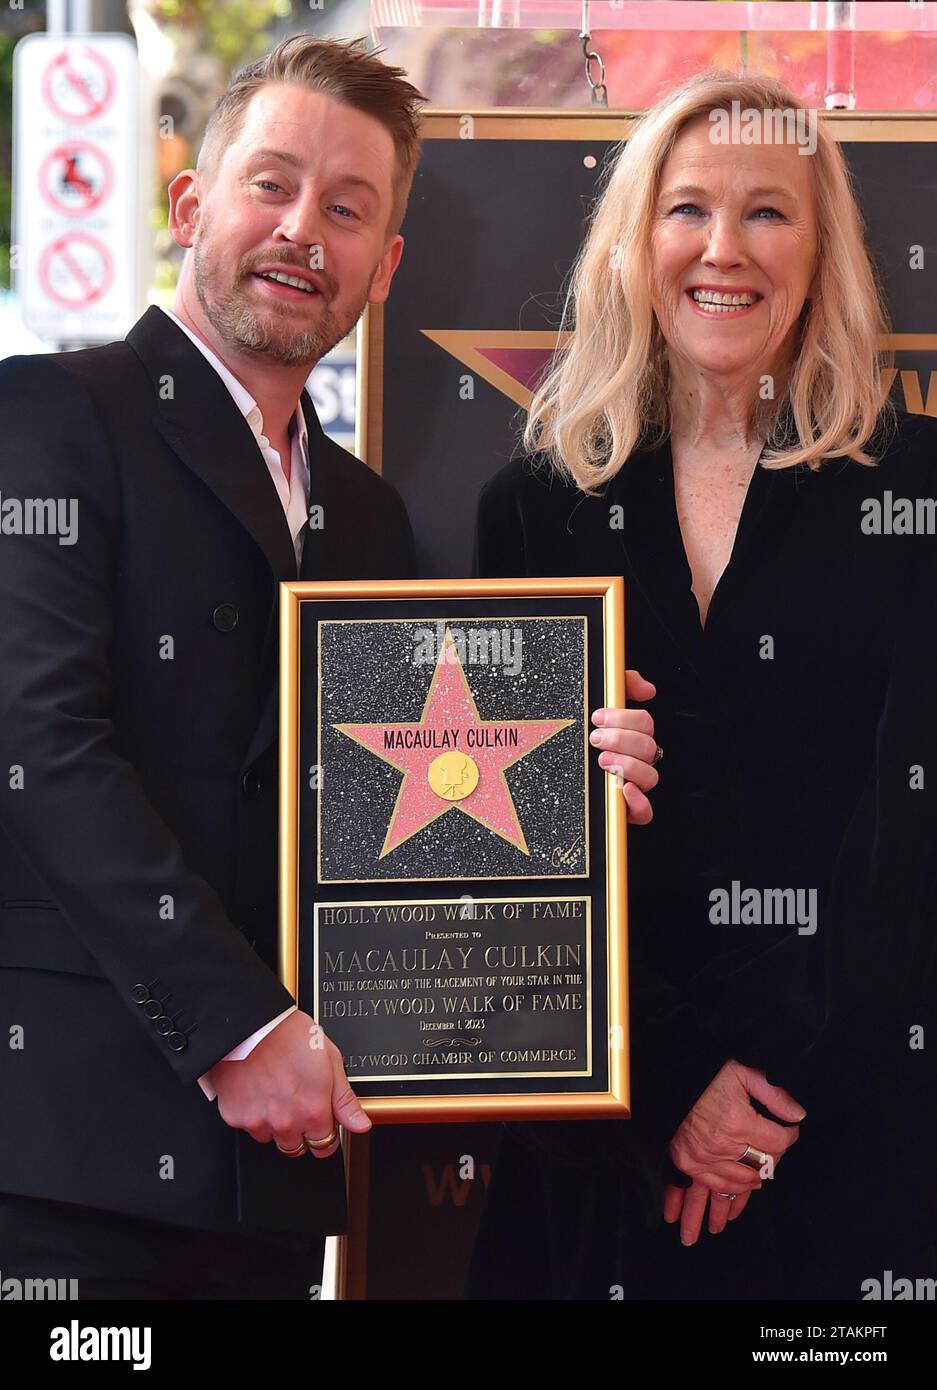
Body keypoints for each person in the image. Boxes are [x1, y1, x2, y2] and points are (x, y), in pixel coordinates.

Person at [469, 70, 937, 1300]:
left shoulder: (916, 491)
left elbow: (907, 844)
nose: (722, 250)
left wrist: (767, 1093)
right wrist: (673, 1084)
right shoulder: (533, 509)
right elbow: (508, 869)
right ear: (634, 238)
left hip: (855, 1151)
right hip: (605, 1156)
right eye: (686, 209)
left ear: (823, 245)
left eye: (767, 212)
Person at [0, 35, 424, 1300]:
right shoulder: (52, 416)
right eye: (272, 185)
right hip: (68, 1167)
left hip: (275, 1179)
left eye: (348, 209)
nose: (305, 230)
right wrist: (244, 1029)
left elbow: (397, 793)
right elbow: (38, 745)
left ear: (385, 265)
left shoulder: (369, 518)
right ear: (193, 204)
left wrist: (569, 756)